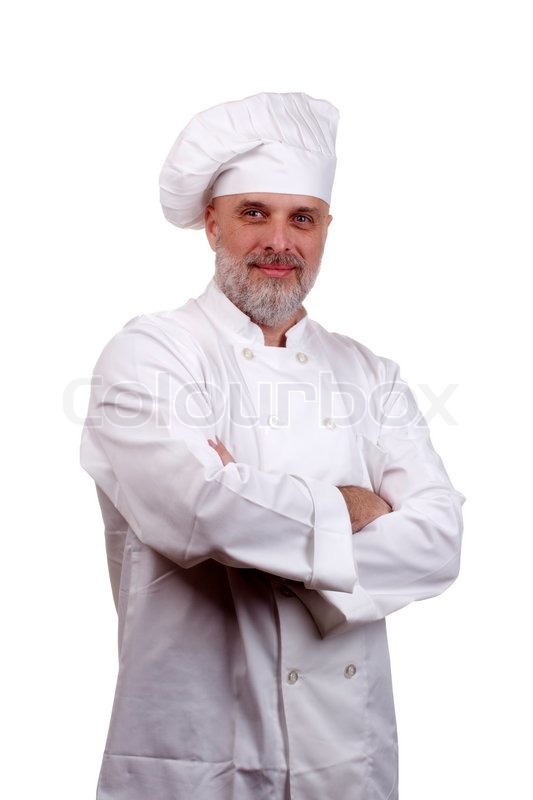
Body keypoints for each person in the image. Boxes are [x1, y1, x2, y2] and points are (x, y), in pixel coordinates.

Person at [80, 92, 464, 800]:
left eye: (302, 219)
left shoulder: (368, 373)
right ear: (211, 223)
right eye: (253, 213)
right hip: (196, 757)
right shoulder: (149, 355)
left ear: (324, 230)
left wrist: (251, 505)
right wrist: (354, 505)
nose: (278, 243)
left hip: (345, 757)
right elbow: (200, 510)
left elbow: (439, 541)